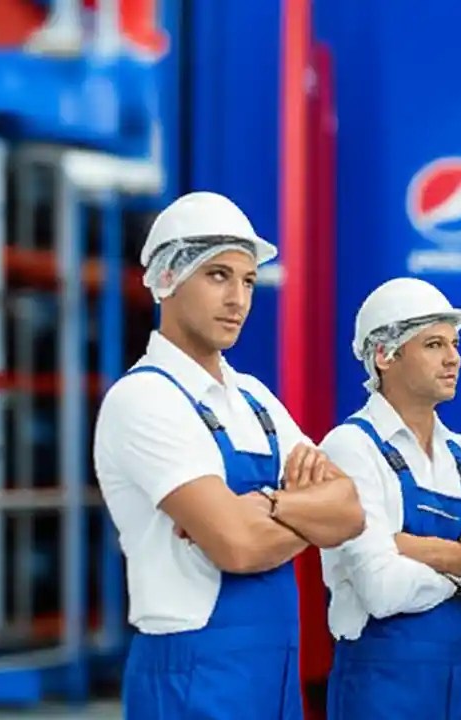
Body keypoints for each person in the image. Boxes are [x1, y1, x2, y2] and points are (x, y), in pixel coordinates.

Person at [93, 191, 366, 719]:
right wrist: (301, 508)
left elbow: (352, 511)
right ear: (167, 280)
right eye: (218, 276)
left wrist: (262, 505)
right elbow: (238, 548)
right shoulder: (145, 399)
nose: (239, 298)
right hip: (191, 677)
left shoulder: (256, 400)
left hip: (276, 674)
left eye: (246, 280)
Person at [319, 277, 461, 720]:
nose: (453, 358)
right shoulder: (350, 448)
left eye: (454, 344)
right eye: (434, 344)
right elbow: (380, 590)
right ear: (384, 354)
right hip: (382, 691)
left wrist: (416, 549)